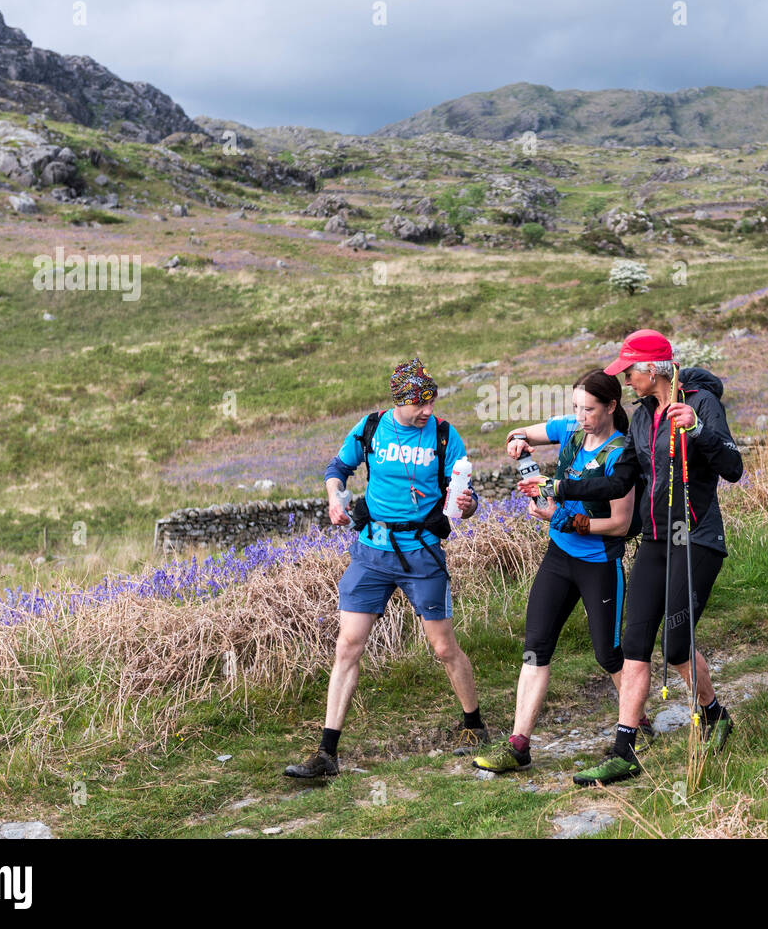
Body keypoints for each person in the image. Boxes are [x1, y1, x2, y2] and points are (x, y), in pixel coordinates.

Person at [518, 330, 744, 786]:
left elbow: (733, 468)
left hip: (696, 538)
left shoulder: (700, 404)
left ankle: (715, 714)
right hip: (658, 542)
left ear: (653, 369)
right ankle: (625, 752)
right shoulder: (641, 420)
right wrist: (559, 488)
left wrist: (698, 431)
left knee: (675, 647)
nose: (625, 380)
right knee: (635, 644)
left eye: (630, 371)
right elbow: (618, 482)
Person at [284, 359, 487, 779]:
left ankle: (474, 725)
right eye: (419, 404)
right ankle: (327, 754)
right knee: (348, 646)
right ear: (400, 401)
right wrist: (335, 498)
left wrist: (468, 505)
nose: (428, 411)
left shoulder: (446, 436)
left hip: (423, 554)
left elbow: (464, 497)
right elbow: (337, 470)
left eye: (431, 402)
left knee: (444, 648)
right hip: (371, 553)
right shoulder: (372, 428)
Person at [473, 369, 656, 773]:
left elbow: (622, 525)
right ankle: (518, 744)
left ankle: (636, 722)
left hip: (599, 563)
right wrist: (518, 443)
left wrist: (564, 517)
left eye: (588, 409)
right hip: (559, 559)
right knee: (535, 647)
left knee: (608, 655)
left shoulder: (620, 453)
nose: (580, 417)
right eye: (575, 407)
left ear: (611, 406)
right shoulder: (571, 432)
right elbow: (522, 433)